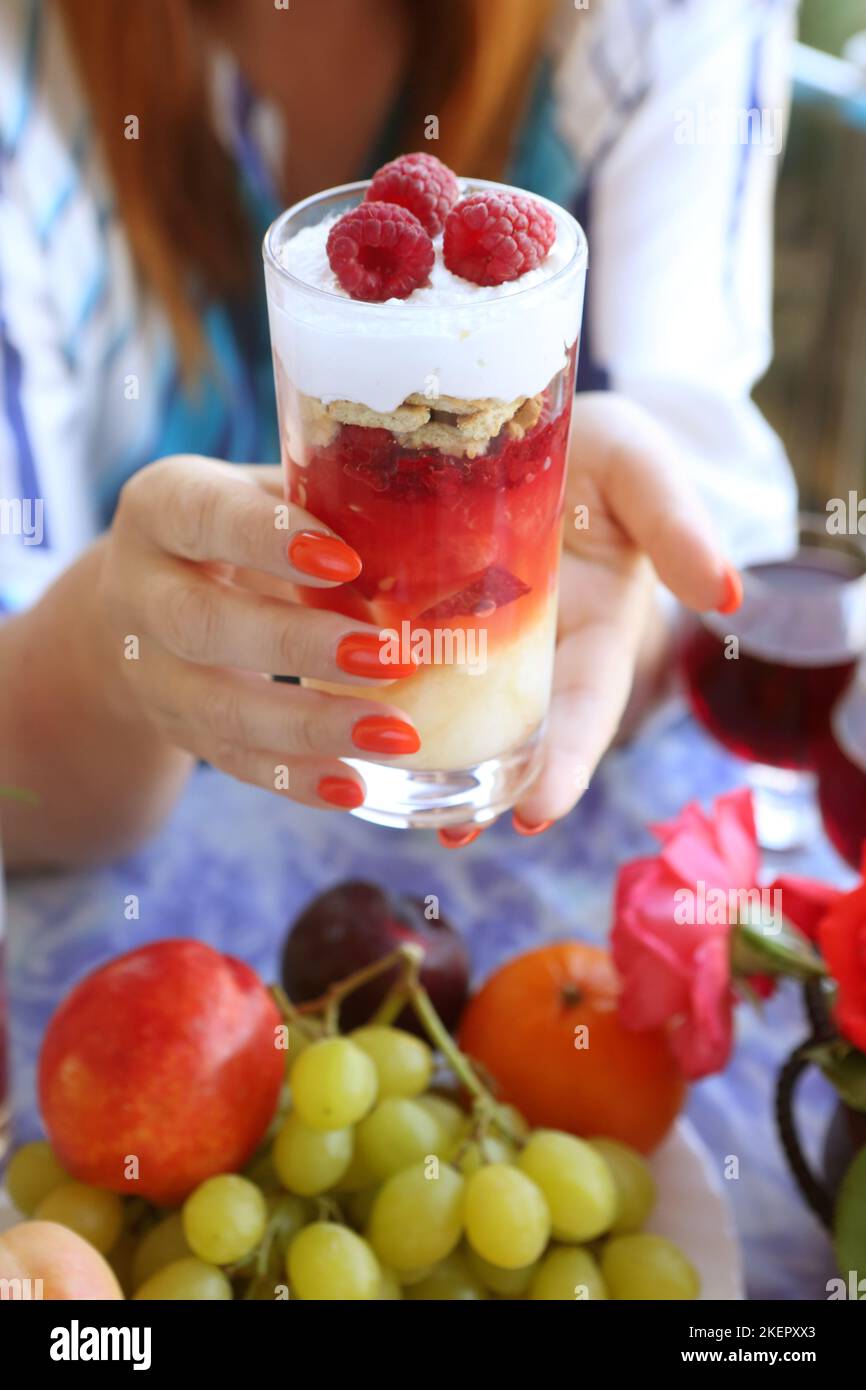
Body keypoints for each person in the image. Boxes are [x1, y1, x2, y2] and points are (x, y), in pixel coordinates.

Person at [0, 0, 798, 871]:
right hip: (138, 875)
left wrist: (625, 592)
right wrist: (109, 652)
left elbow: (724, 546)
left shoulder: (657, 21)